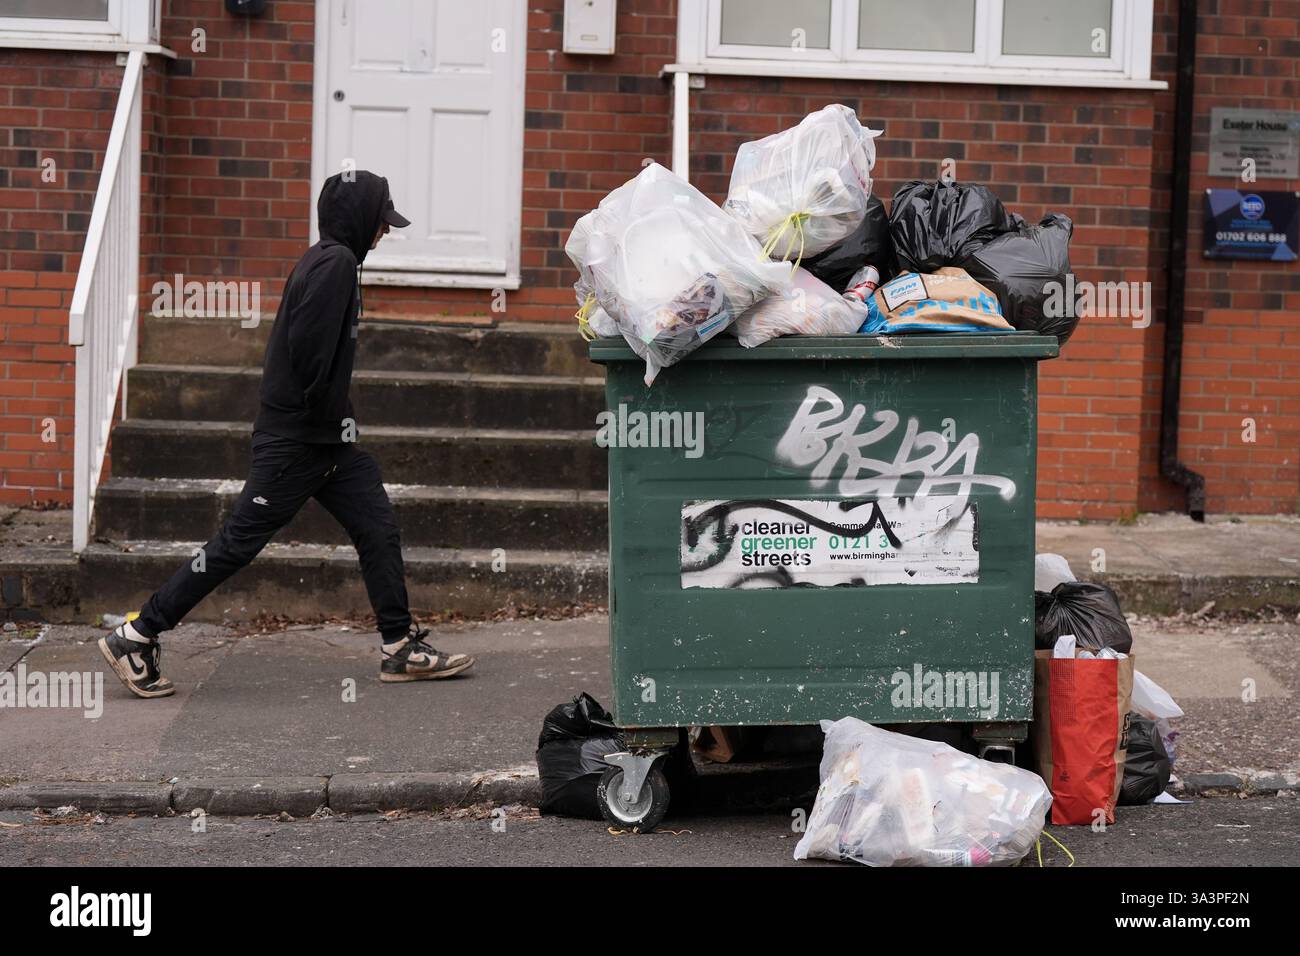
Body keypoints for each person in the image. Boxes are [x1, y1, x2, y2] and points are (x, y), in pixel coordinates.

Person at [98, 170, 474, 698]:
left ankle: (398, 646)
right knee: (234, 546)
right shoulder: (336, 264)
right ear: (361, 218)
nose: (384, 233)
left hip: (328, 442)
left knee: (377, 526)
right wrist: (322, 413)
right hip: (298, 441)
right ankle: (137, 635)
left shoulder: (328, 260)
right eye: (381, 222)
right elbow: (308, 351)